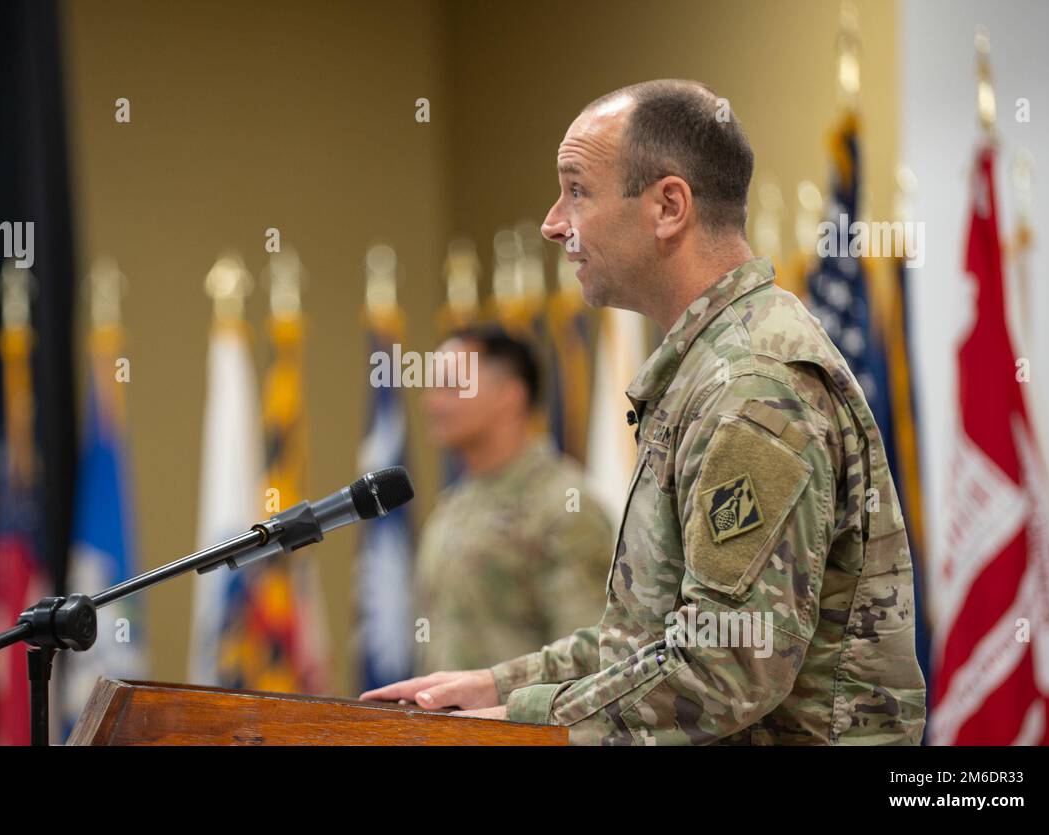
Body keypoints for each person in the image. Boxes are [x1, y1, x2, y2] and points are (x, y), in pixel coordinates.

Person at [362, 79, 926, 745]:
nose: (553, 222)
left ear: (667, 206)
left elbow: (726, 666)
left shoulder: (753, 383)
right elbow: (650, 632)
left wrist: (516, 723)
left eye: (577, 190)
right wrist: (496, 685)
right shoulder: (707, 366)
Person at [414, 324, 614, 674]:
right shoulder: (455, 504)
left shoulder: (564, 504)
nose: (431, 401)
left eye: (450, 386)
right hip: (446, 725)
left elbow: (586, 659)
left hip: (519, 724)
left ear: (509, 395)